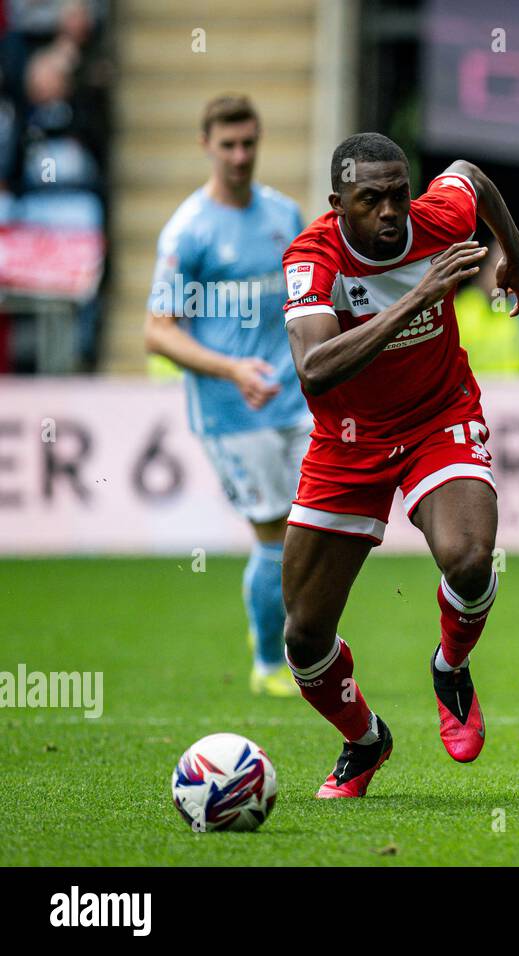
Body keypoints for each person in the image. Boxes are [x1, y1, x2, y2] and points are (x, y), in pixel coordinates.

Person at [279, 132, 519, 798]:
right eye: (371, 200)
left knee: (471, 558)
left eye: (398, 194)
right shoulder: (313, 258)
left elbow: (471, 175)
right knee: (305, 637)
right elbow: (316, 366)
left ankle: (450, 667)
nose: (391, 212)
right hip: (348, 443)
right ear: (339, 205)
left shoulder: (436, 217)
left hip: (437, 417)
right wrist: (418, 297)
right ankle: (365, 741)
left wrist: (516, 255)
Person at [144, 94, 307, 697]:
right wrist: (231, 368)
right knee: (274, 533)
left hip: (297, 399)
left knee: (314, 534)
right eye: (228, 144)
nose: (240, 155)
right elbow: (157, 331)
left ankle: (301, 643)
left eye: (249, 143)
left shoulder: (284, 214)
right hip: (233, 412)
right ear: (206, 145)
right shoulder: (188, 232)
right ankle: (271, 662)